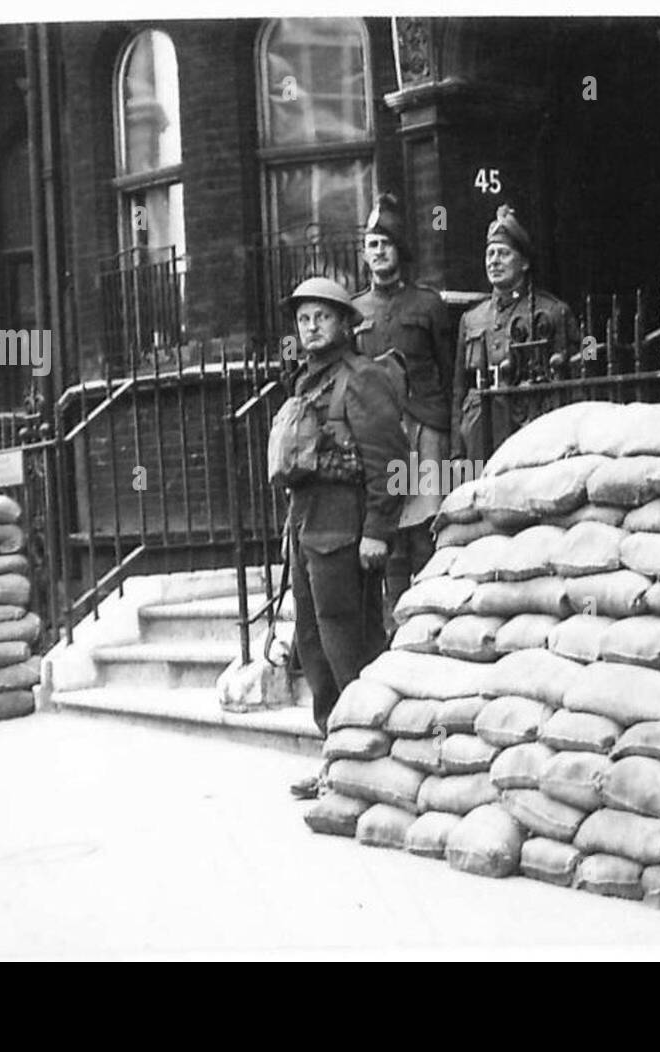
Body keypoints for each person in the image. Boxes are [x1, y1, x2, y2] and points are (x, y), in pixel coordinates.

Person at [270, 277, 407, 800]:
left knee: (349, 646)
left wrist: (378, 531)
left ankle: (368, 758)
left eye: (322, 317)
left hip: (347, 531)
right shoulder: (306, 382)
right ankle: (336, 756)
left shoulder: (363, 378)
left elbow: (394, 464)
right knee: (313, 648)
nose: (310, 327)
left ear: (346, 323)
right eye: (303, 319)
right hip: (308, 528)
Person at [352, 193, 453, 634]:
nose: (379, 252)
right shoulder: (355, 311)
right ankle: (395, 628)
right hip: (383, 436)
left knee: (429, 527)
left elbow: (452, 374)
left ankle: (432, 620)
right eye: (372, 244)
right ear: (364, 253)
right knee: (389, 527)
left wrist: (452, 431)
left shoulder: (428, 305)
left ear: (400, 252)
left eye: (386, 244)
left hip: (428, 430)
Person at [450, 204, 581, 464]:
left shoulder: (553, 311)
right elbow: (458, 389)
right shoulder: (471, 318)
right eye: (490, 254)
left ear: (524, 263)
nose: (494, 261)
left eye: (503, 253)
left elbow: (582, 364)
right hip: (478, 430)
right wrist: (457, 452)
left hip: (527, 426)